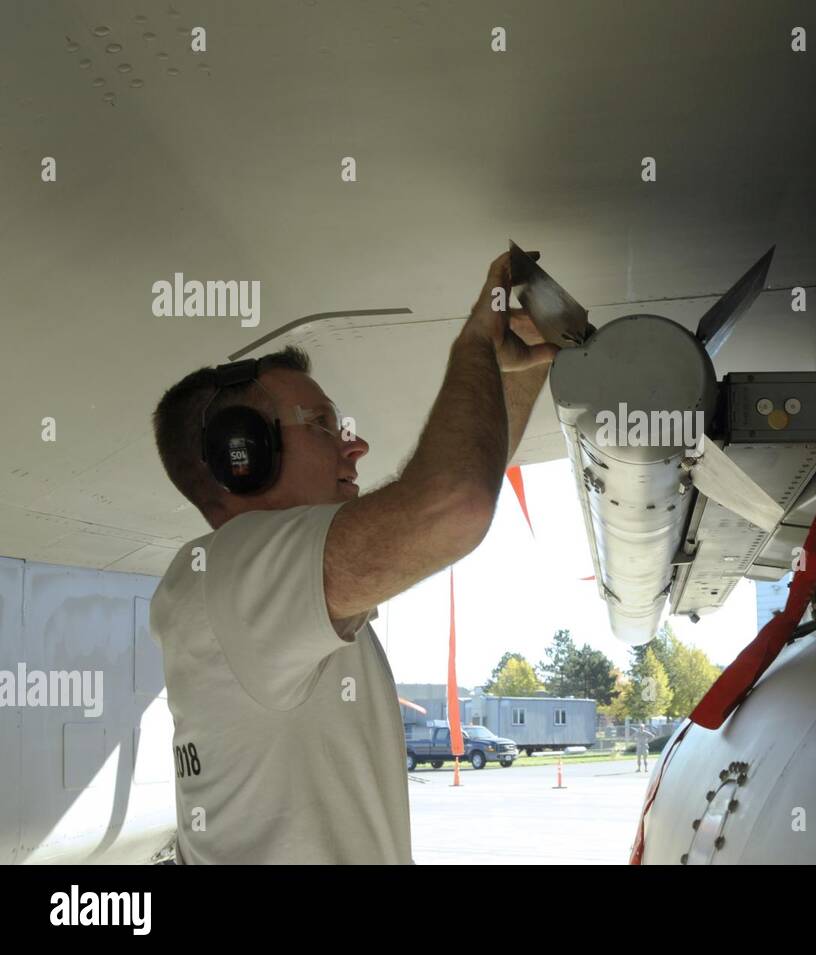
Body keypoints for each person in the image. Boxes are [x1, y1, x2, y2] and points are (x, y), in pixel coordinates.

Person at [148, 250, 556, 863]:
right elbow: (451, 504)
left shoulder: (249, 587)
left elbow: (459, 484)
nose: (356, 445)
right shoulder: (235, 573)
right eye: (323, 425)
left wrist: (510, 370)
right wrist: (475, 340)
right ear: (243, 453)